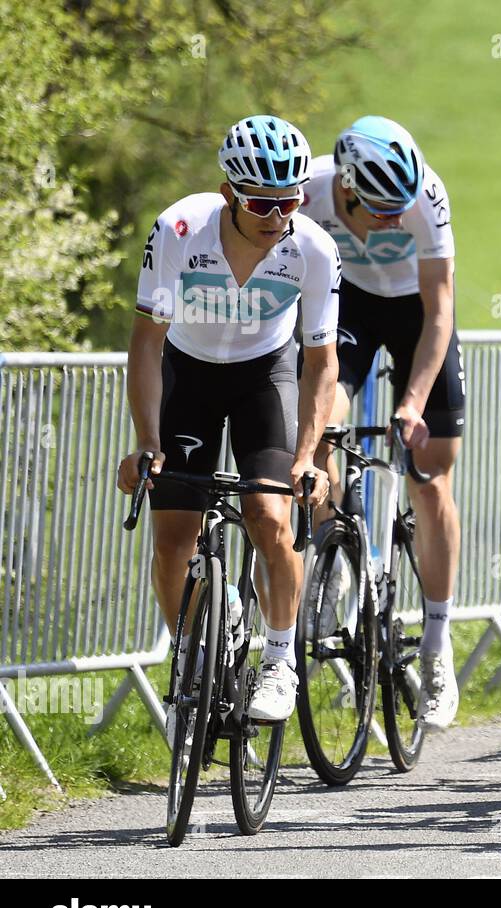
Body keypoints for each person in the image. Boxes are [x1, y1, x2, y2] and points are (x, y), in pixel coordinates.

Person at [117, 115, 338, 724]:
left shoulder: (312, 249)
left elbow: (321, 363)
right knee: (171, 540)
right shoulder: (180, 229)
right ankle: (190, 655)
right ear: (228, 195)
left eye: (290, 201)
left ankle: (280, 659)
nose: (276, 216)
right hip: (189, 373)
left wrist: (305, 456)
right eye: (262, 202)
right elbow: (145, 342)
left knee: (271, 514)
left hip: (265, 376)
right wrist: (146, 441)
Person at [298, 116, 462, 728]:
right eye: (380, 209)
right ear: (344, 187)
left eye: (401, 208)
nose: (394, 219)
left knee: (431, 475)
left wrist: (412, 401)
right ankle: (336, 554)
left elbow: (441, 308)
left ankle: (438, 646)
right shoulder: (310, 188)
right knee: (317, 433)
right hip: (350, 306)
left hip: (418, 310)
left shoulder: (427, 196)